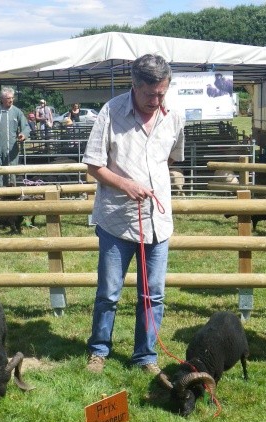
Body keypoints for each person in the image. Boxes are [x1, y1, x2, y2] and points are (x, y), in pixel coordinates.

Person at [83, 53, 185, 374]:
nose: (157, 100)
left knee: (153, 295)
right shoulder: (110, 112)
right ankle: (99, 352)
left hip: (158, 224)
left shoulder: (175, 115)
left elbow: (170, 158)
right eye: (150, 93)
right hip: (117, 222)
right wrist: (125, 184)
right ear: (134, 85)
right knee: (109, 293)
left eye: (162, 93)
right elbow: (93, 166)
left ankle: (146, 356)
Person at [0, 88, 30, 188]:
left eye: (12, 98)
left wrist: (23, 134)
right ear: (2, 99)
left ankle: (11, 194)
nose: (11, 100)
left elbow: (26, 127)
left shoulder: (17, 112)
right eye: (8, 98)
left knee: (10, 170)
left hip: (11, 147)